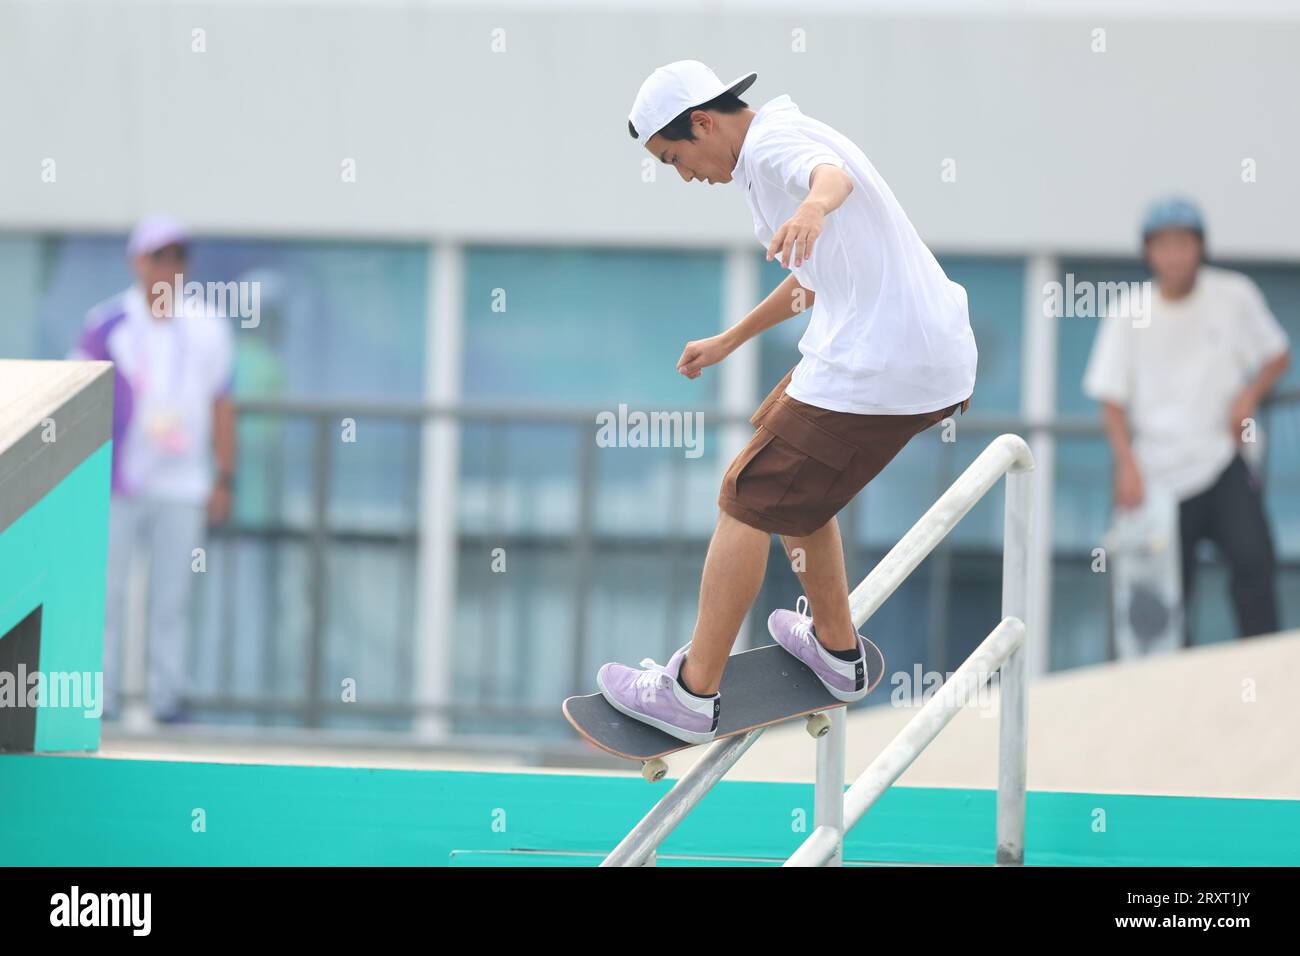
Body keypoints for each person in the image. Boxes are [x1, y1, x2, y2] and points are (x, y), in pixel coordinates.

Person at [597, 61, 977, 743]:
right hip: (897, 351)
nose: (684, 175)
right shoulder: (762, 162)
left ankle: (691, 694)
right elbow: (812, 279)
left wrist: (812, 202)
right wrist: (731, 339)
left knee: (747, 492)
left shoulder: (775, 145)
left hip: (886, 360)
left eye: (675, 157)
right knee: (788, 459)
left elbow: (833, 179)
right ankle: (835, 653)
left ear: (704, 122)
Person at [1084, 197, 1291, 643]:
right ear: (1149, 252)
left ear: (1200, 247)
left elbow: (1277, 353)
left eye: (1185, 243)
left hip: (1223, 459)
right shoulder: (1128, 311)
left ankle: (1267, 676)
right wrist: (1127, 466)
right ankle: (1170, 695)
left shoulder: (1234, 294)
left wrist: (1248, 396)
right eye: (1164, 244)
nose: (1175, 254)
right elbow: (1111, 400)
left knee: (1254, 563)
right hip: (1156, 474)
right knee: (1162, 599)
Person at [70, 215, 236, 722]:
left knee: (172, 597)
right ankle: (100, 701)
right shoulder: (106, 323)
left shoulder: (207, 326)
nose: (168, 268)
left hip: (184, 482)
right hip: (119, 481)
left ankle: (168, 699)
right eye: (158, 257)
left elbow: (222, 404)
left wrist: (224, 476)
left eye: (177, 258)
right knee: (105, 594)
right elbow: (77, 397)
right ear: (137, 262)